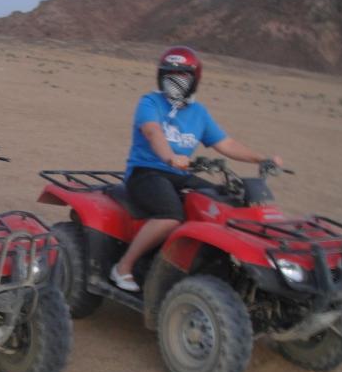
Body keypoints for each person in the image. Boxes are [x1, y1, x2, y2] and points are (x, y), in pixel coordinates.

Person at [110, 46, 283, 292]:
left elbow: (226, 143)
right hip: (146, 172)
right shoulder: (150, 102)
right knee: (171, 215)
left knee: (224, 204)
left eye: (181, 77)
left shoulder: (199, 113)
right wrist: (170, 157)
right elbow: (152, 131)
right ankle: (123, 266)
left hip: (180, 175)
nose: (174, 83)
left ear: (193, 80)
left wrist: (262, 159)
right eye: (169, 77)